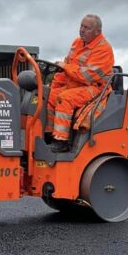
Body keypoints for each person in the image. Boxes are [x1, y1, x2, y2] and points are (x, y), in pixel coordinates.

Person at [45, 14, 115, 152]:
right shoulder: (77, 43)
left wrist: (65, 67)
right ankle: (48, 135)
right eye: (81, 26)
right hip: (74, 85)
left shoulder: (104, 49)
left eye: (87, 28)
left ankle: (61, 141)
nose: (82, 30)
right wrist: (51, 87)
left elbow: (88, 76)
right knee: (48, 95)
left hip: (94, 88)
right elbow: (65, 68)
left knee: (65, 99)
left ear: (97, 32)